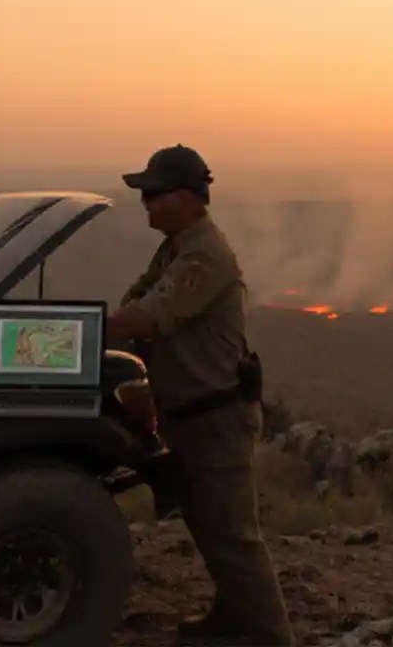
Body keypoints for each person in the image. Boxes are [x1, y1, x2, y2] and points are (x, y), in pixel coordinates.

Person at [106, 144, 294, 646]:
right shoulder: (175, 248)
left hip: (216, 414)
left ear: (189, 198)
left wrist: (78, 332)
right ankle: (230, 617)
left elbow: (147, 315)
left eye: (154, 193)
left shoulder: (204, 255)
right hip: (188, 412)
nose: (145, 202)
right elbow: (135, 302)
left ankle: (271, 636)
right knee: (208, 528)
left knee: (233, 534)